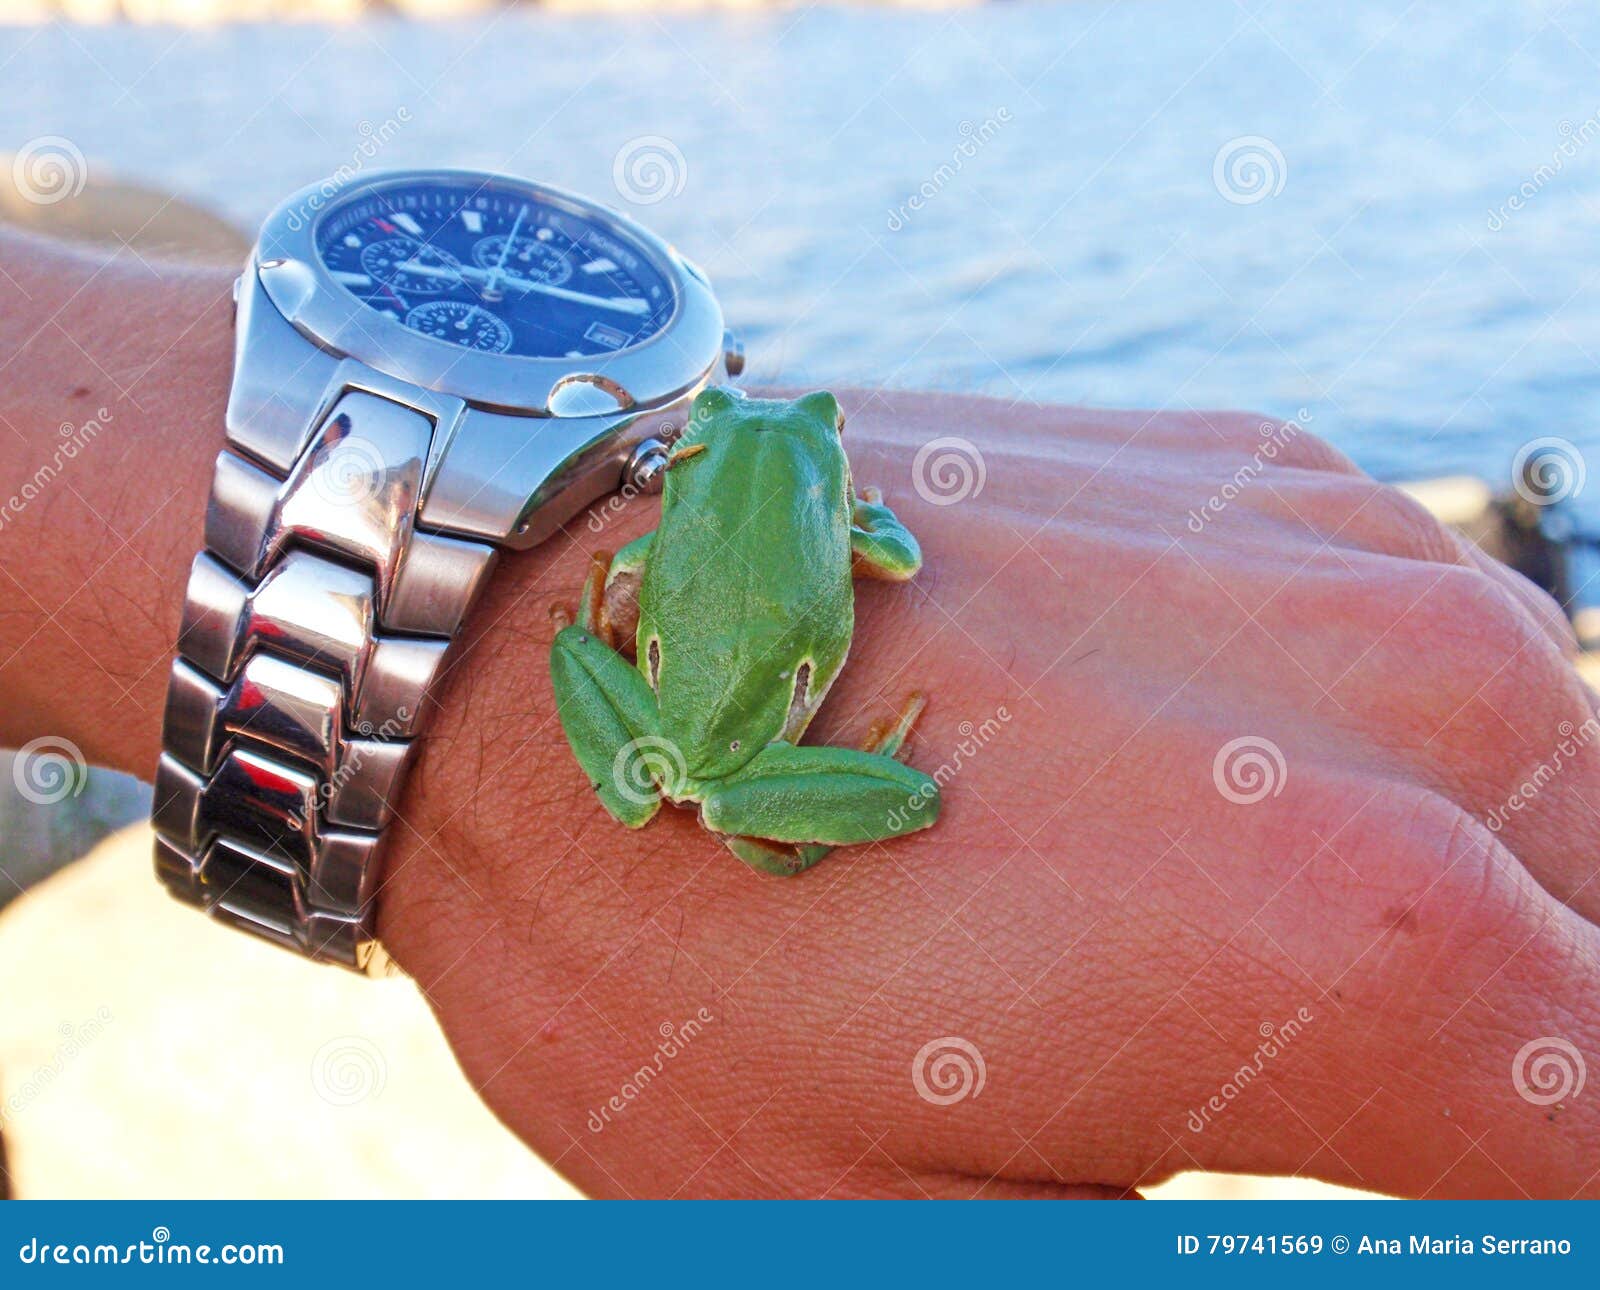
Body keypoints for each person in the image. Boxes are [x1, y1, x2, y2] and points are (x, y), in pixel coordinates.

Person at [0, 227, 1595, 1200]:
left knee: (670, 763)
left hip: (647, 738)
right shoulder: (849, 501)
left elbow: (612, 592)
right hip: (745, 745)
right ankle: (815, 780)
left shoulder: (689, 472)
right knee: (885, 791)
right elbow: (894, 546)